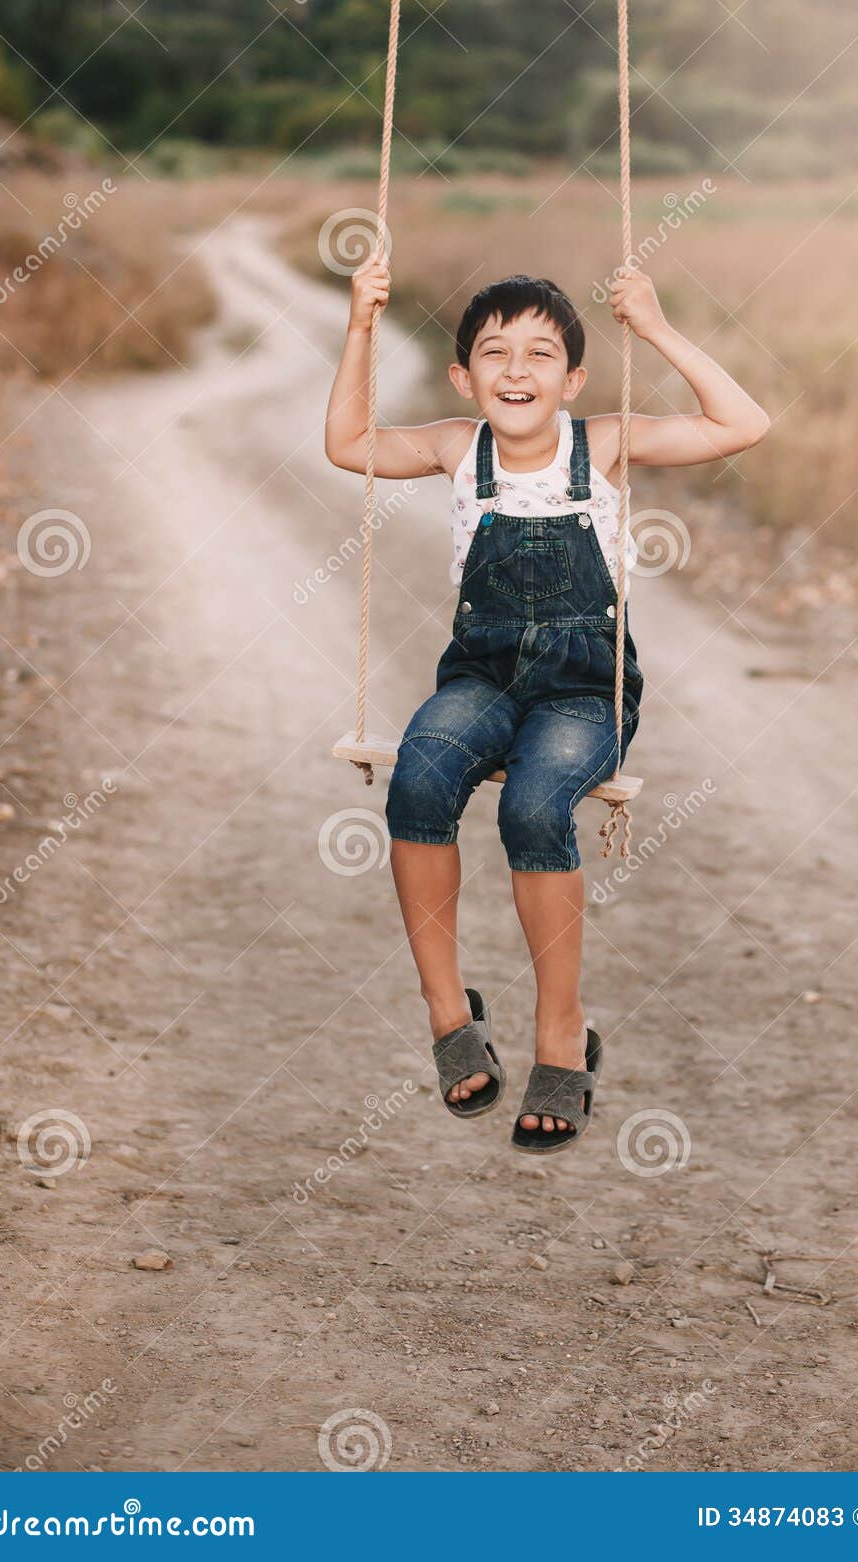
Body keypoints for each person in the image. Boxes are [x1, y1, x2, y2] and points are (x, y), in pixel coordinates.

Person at [326, 262, 769, 1151]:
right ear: (464, 378)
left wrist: (653, 325)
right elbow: (348, 444)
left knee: (533, 806)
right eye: (495, 353)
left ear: (572, 379)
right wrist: (361, 326)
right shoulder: (457, 448)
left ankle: (561, 1033)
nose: (517, 369)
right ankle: (448, 1011)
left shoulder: (600, 445)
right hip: (482, 677)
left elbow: (742, 424)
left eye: (540, 354)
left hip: (583, 687)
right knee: (419, 777)